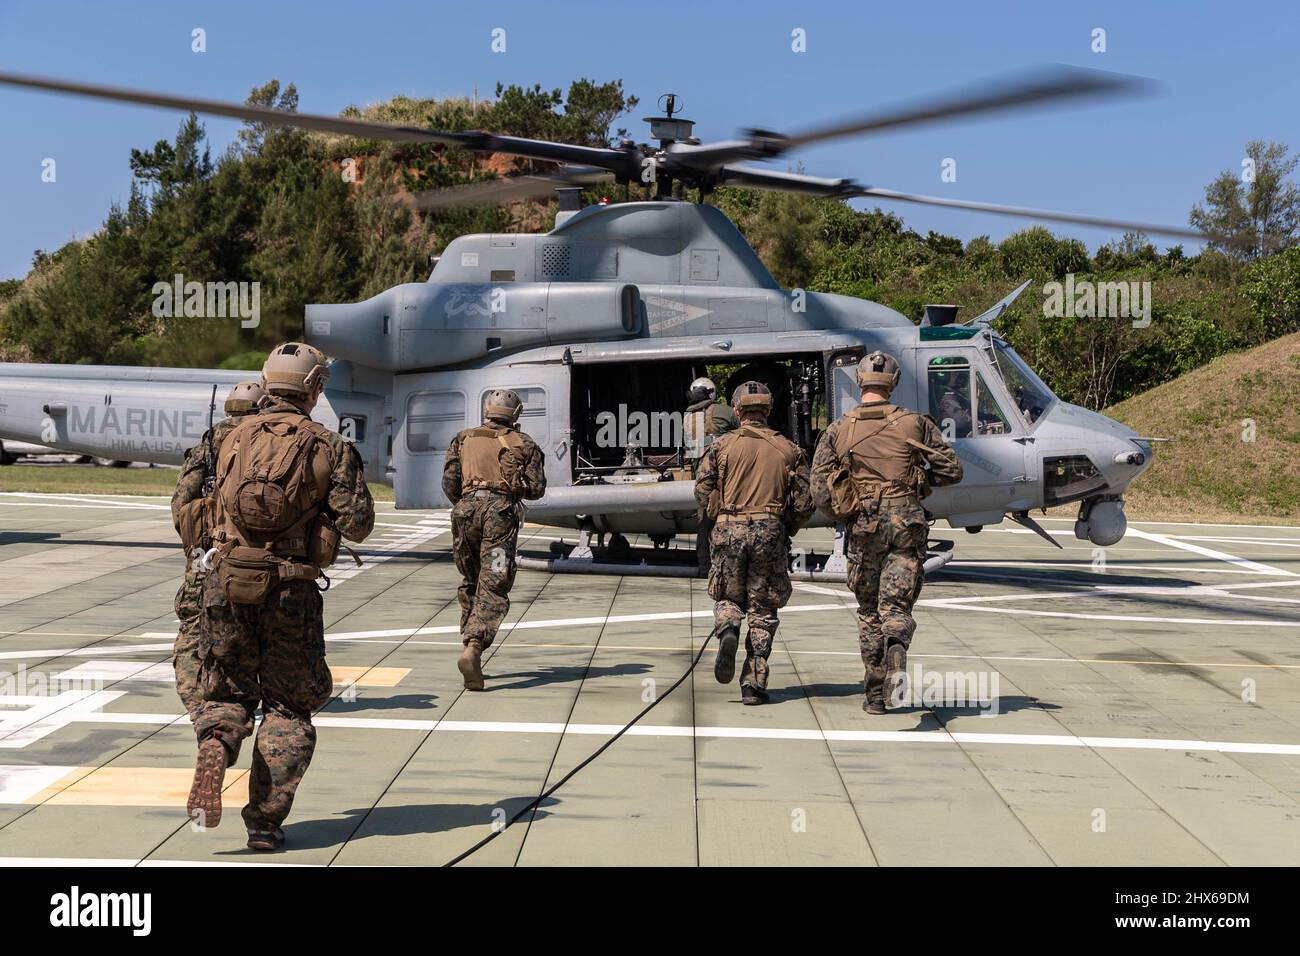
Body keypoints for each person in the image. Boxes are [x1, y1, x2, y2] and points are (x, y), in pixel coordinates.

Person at [185, 343, 375, 851]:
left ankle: (215, 745)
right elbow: (358, 524)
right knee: (289, 708)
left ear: (265, 381)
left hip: (224, 582)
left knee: (225, 692)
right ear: (315, 387)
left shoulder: (222, 436)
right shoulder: (329, 446)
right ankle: (264, 822)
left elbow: (186, 507)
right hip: (291, 590)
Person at [810, 351, 962, 715]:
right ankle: (897, 641)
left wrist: (841, 513)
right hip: (906, 521)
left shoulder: (838, 429)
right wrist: (920, 481)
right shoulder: (915, 424)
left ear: (860, 382)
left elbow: (817, 487)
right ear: (892, 383)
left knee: (867, 610)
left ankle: (876, 695)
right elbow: (952, 469)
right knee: (895, 604)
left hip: (862, 524)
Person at [694, 381, 814, 705]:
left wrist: (716, 516)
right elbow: (805, 502)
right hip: (769, 530)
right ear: (768, 410)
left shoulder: (720, 447)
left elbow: (702, 489)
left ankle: (728, 626)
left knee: (727, 595)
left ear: (736, 410)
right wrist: (787, 525)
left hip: (729, 528)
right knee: (763, 609)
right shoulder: (789, 449)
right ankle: (753, 684)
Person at [170, 380, 265, 716]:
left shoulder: (208, 445)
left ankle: (197, 701)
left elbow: (181, 504)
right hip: (253, 554)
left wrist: (196, 544)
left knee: (193, 630)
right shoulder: (265, 439)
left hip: (204, 554)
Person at [442, 388, 546, 691]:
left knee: (471, 580)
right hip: (500, 516)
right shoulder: (525, 444)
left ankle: (468, 641)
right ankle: (474, 646)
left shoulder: (462, 438)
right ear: (516, 415)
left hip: (465, 512)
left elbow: (450, 483)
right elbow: (536, 489)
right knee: (494, 583)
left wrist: (469, 502)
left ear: (488, 409)